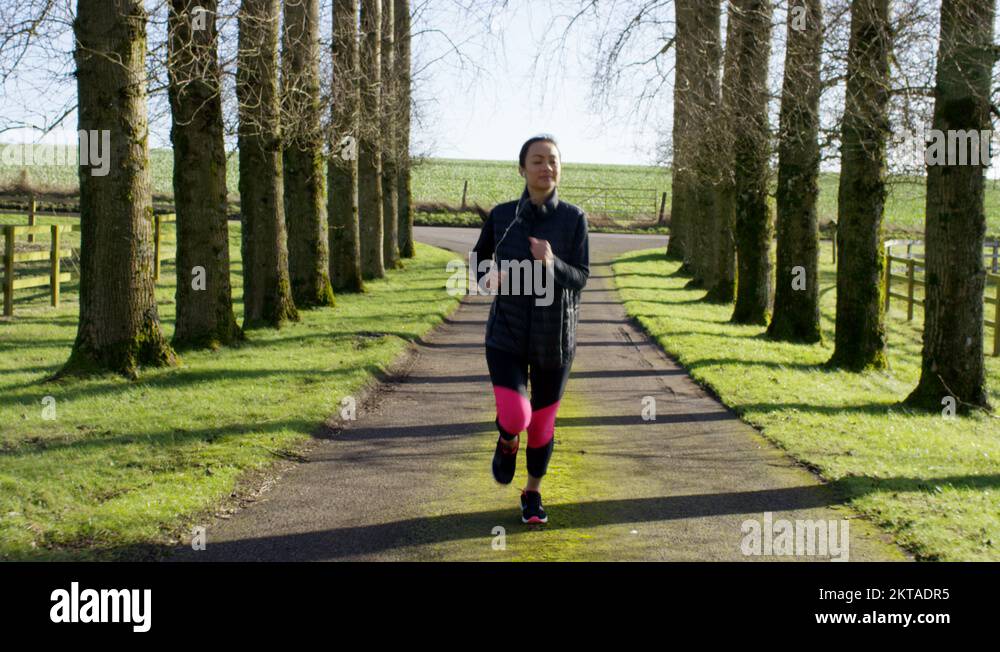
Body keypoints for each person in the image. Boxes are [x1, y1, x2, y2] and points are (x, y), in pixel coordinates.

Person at [471, 134, 590, 524]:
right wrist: (489, 277)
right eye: (537, 160)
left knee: (541, 427)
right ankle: (507, 442)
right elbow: (477, 261)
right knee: (518, 416)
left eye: (553, 160)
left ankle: (532, 492)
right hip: (506, 335)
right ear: (522, 168)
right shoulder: (503, 215)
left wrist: (552, 262)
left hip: (555, 342)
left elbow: (581, 277)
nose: (546, 167)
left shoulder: (574, 219)